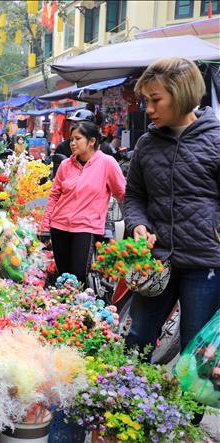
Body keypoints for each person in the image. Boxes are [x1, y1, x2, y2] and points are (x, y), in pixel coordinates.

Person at [123, 57, 220, 359]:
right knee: (136, 337)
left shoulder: (216, 139)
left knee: (196, 352)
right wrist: (137, 225)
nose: (148, 109)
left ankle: (187, 409)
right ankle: (124, 400)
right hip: (157, 260)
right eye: (146, 100)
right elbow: (134, 196)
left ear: (181, 95)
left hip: (205, 264)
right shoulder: (146, 145)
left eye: (155, 100)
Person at [41, 120, 126, 284]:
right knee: (62, 277)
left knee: (78, 276)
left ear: (92, 141)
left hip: (87, 228)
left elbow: (122, 193)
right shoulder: (66, 165)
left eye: (77, 139)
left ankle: (81, 308)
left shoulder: (107, 163)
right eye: (71, 139)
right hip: (59, 226)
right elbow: (54, 196)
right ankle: (64, 309)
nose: (72, 143)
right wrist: (46, 224)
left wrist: (134, 223)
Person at [52, 109, 96, 177]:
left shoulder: (105, 157)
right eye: (73, 123)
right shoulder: (63, 147)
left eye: (78, 123)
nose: (74, 126)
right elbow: (57, 177)